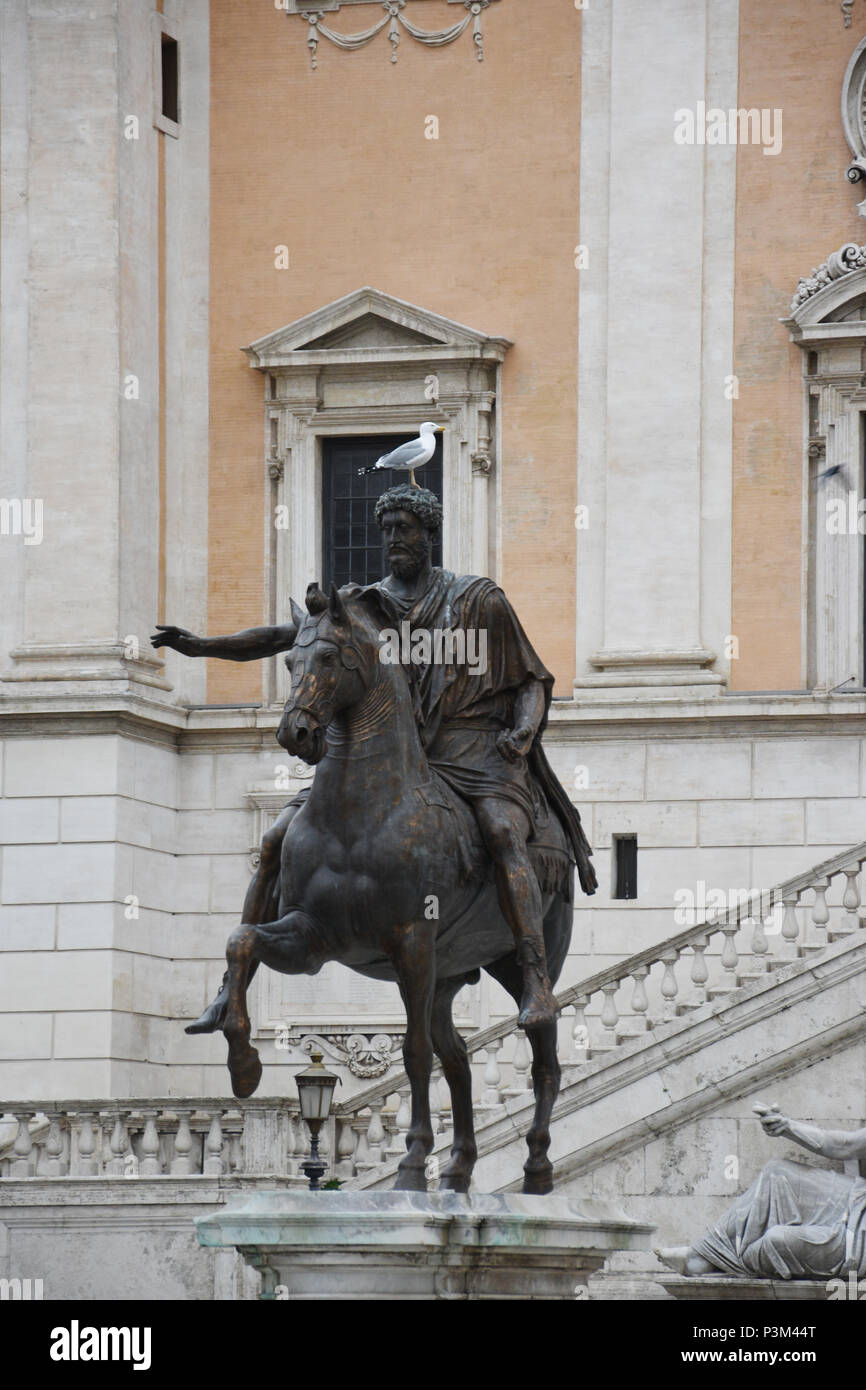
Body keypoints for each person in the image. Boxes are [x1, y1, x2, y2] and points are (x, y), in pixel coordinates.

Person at [151, 483, 595, 1033]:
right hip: (390, 751)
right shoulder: (364, 608)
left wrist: (523, 733)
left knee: (503, 831)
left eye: (403, 530)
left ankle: (534, 979)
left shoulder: (479, 601)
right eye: (386, 532)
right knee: (276, 838)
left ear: (429, 534)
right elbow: (285, 636)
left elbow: (532, 680)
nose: (393, 542)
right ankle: (230, 989)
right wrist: (204, 647)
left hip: (468, 747)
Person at [657, 1102, 866, 1280]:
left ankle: (720, 1259)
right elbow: (843, 1145)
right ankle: (703, 1254)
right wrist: (788, 1127)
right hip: (859, 1199)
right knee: (778, 1173)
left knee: (775, 1241)